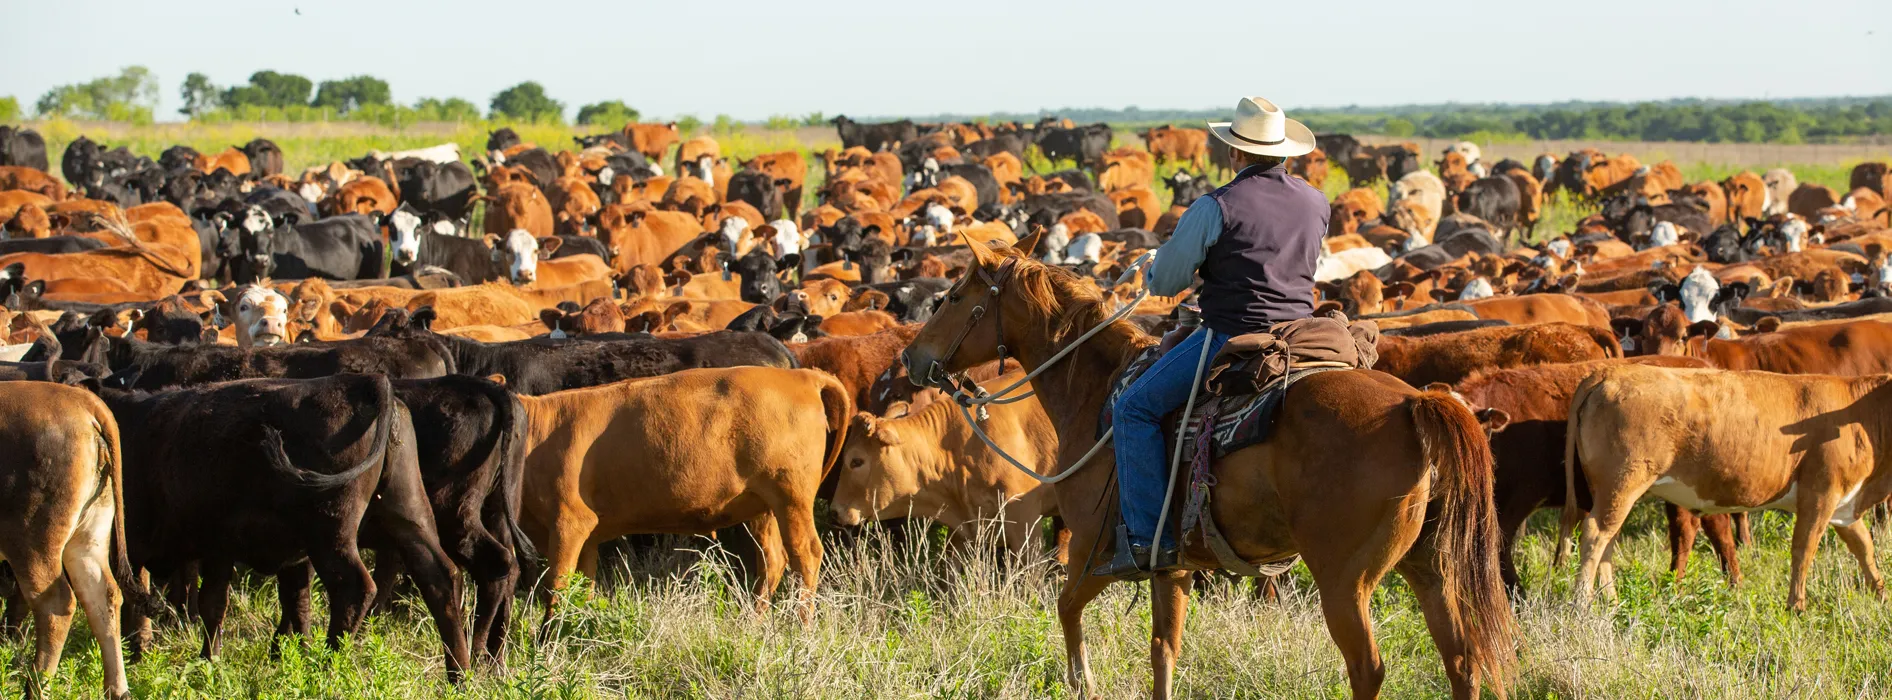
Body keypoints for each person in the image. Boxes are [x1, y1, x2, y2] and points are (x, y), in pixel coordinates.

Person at [1094, 96, 1330, 581]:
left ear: (1234, 151)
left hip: (1231, 334)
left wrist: (1156, 267)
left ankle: (1147, 540)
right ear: (1283, 151)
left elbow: (1166, 282)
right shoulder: (1315, 201)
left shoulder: (1216, 205)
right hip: (1302, 333)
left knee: (1133, 408)